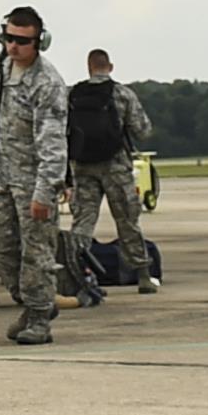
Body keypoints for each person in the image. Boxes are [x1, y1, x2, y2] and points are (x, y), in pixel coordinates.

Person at [0, 6, 70, 345]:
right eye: (8, 38)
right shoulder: (5, 66)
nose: (13, 46)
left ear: (39, 42)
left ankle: (40, 316)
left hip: (33, 178)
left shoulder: (47, 84)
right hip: (1, 170)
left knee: (37, 251)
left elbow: (54, 143)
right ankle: (30, 303)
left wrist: (45, 191)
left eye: (21, 41)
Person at [71, 49, 160, 294]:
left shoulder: (73, 95)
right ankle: (143, 275)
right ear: (109, 67)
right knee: (127, 221)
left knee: (82, 223)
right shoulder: (122, 94)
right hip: (115, 165)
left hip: (82, 166)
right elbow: (142, 130)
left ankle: (76, 271)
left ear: (89, 67)